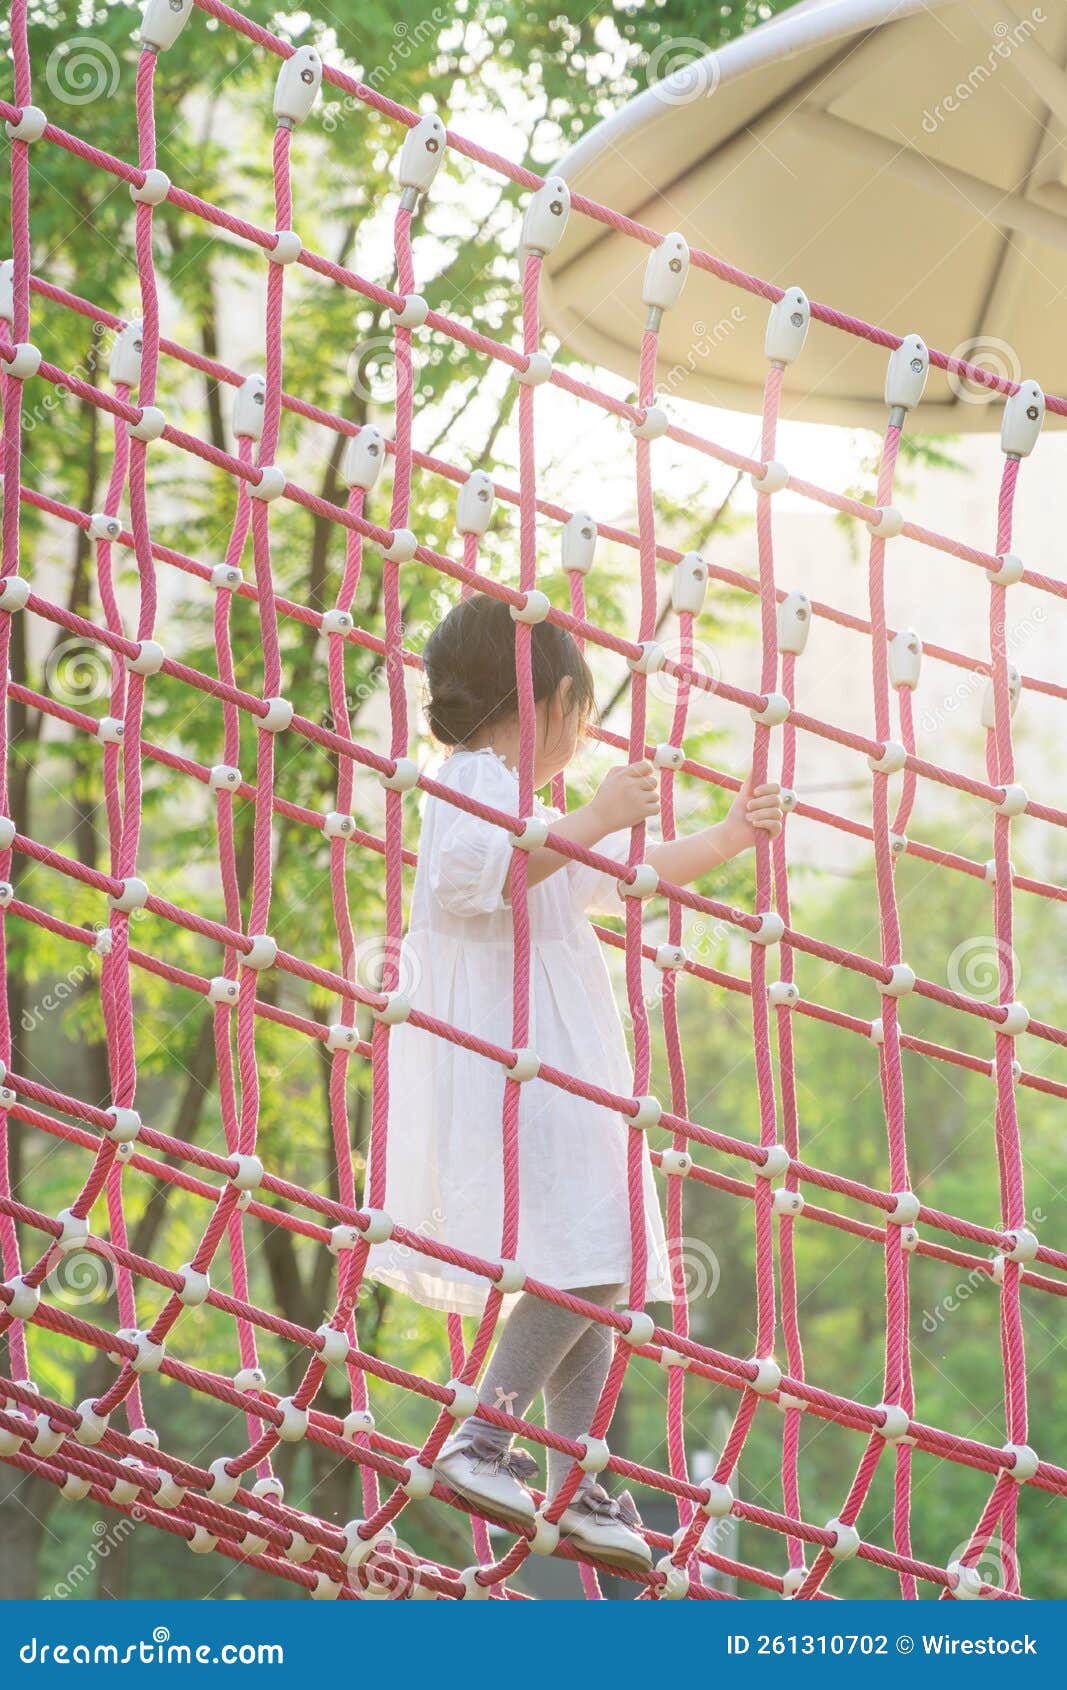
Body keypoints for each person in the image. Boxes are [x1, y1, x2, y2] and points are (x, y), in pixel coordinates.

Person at [365, 593, 783, 1572]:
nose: (582, 736)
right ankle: (484, 1438)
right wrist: (593, 812)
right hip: (516, 1072)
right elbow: (471, 878)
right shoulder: (466, 781)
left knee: (602, 1261)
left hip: (564, 1074)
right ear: (545, 702)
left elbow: (625, 869)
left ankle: (576, 1473)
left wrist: (724, 838)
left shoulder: (534, 807)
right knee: (590, 1260)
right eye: (579, 715)